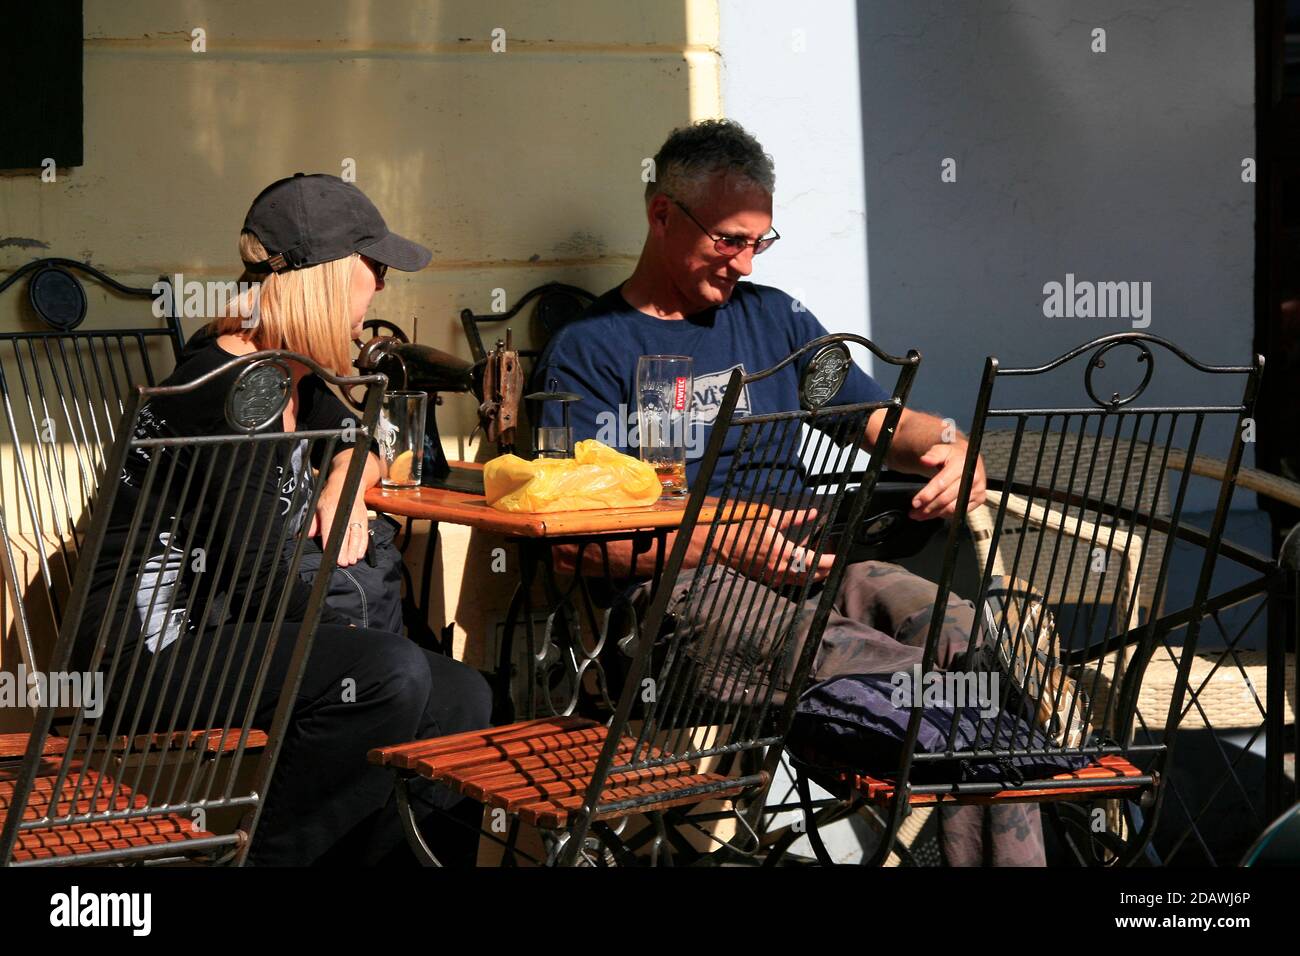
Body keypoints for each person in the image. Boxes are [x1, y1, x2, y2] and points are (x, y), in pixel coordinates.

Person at [532, 121, 1043, 866]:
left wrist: (953, 448)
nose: (743, 261)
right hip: (682, 598)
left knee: (966, 646)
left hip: (815, 566)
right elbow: (580, 547)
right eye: (728, 240)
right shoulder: (591, 351)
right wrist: (724, 538)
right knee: (912, 682)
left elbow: (874, 419)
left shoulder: (775, 320)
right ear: (662, 214)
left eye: (759, 243)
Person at [75, 173, 491, 866]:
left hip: (226, 635)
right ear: (326, 277)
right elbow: (264, 582)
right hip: (145, 656)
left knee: (464, 696)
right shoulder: (236, 390)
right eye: (375, 267)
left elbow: (366, 437)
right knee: (393, 676)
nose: (382, 288)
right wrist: (367, 640)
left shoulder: (287, 371)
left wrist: (345, 481)